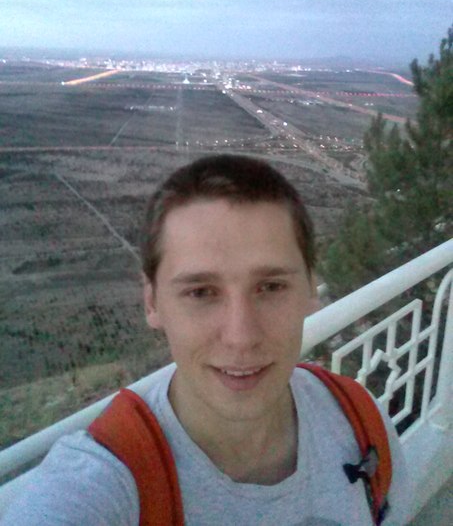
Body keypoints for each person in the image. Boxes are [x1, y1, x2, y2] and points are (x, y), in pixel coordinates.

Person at [1, 154, 410, 525]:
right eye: (201, 293)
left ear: (309, 289)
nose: (241, 337)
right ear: (152, 302)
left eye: (270, 287)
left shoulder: (360, 422)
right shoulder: (104, 483)